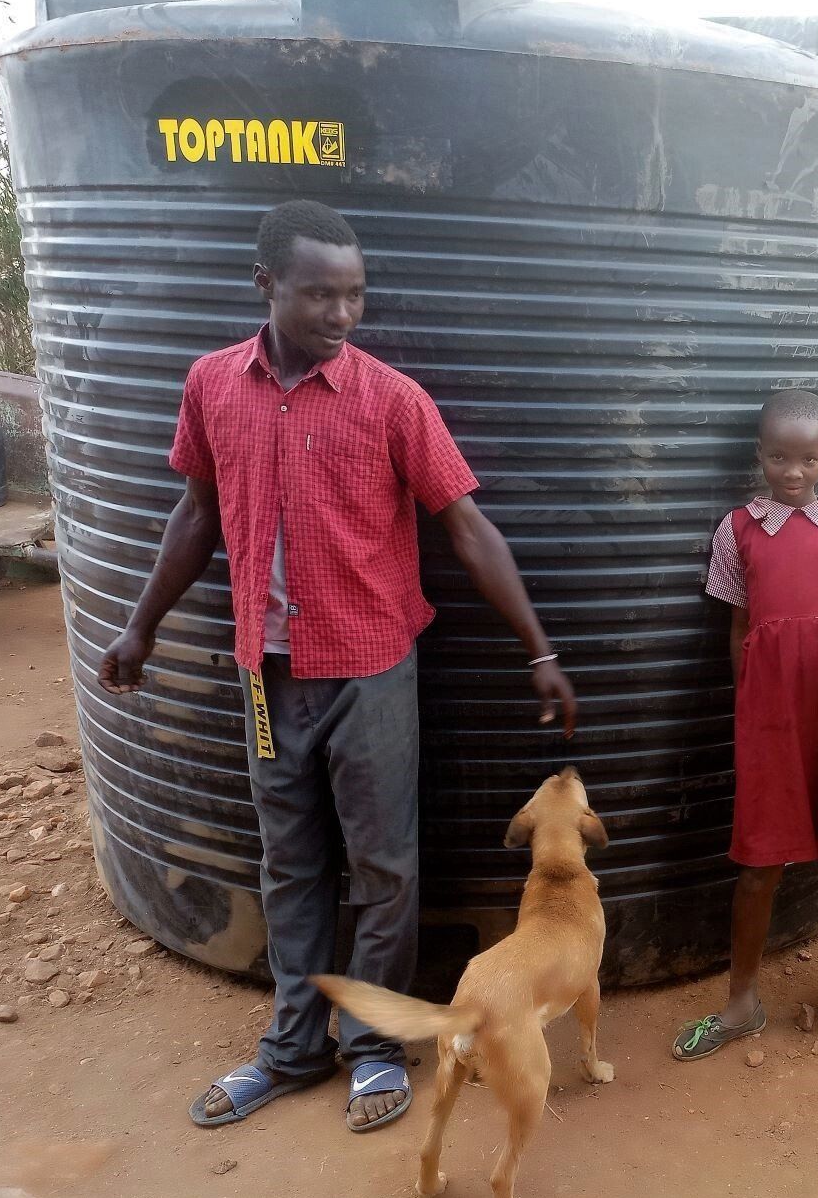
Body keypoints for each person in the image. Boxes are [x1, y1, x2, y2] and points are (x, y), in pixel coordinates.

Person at [96, 199, 576, 1133]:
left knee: (385, 868)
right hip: (264, 674)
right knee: (289, 861)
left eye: (355, 294)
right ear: (266, 284)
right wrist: (140, 627)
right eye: (321, 293)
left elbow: (465, 526)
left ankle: (367, 1049)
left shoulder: (392, 399)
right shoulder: (211, 386)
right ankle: (290, 1049)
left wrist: (539, 647)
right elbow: (196, 514)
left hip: (369, 672)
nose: (343, 313)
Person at [672, 390, 818, 1060]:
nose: (794, 472)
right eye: (780, 457)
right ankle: (742, 999)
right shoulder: (738, 529)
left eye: (808, 458)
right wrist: (747, 699)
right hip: (773, 709)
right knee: (759, 853)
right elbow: (739, 629)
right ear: (761, 455)